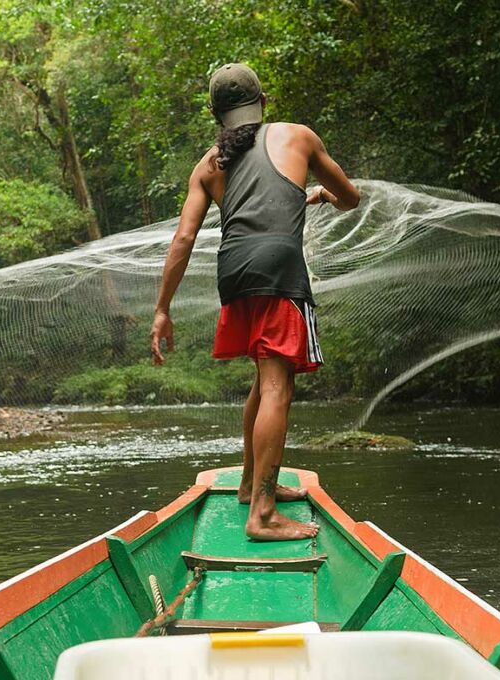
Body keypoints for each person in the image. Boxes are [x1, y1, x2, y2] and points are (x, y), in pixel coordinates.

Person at [150, 63, 360, 541]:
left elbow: (183, 239)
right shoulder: (297, 136)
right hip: (279, 270)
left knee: (262, 380)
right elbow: (352, 197)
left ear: (215, 115)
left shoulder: (207, 166)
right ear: (263, 103)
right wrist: (322, 196)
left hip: (235, 272)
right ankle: (263, 515)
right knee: (277, 387)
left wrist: (163, 309)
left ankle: (250, 485)